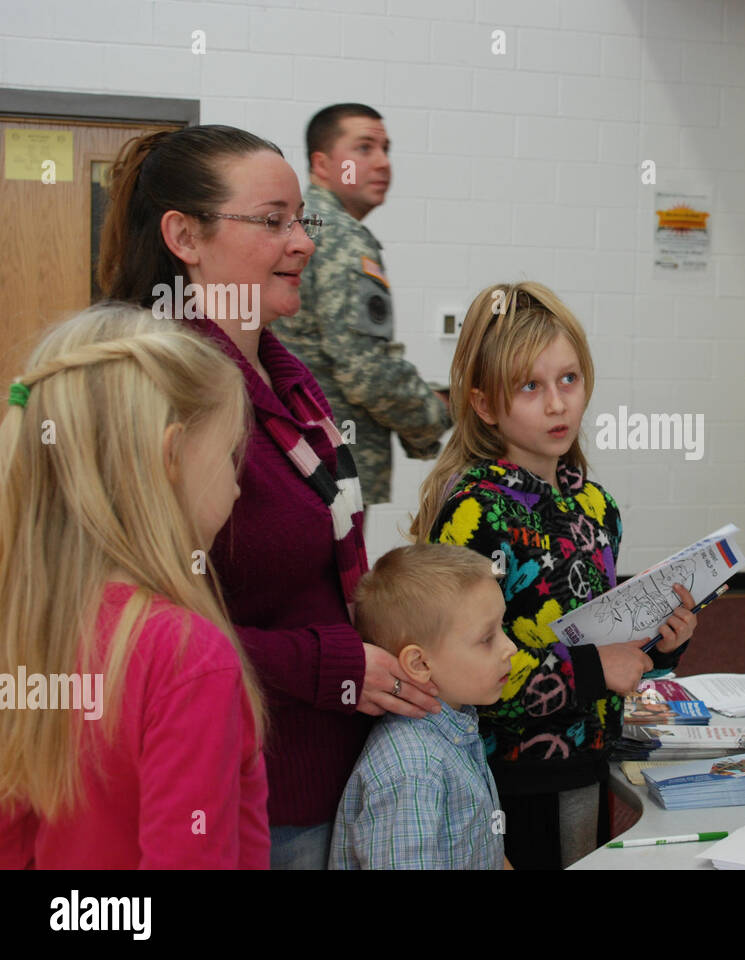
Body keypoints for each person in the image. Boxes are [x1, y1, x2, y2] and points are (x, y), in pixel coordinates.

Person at [95, 124, 440, 869]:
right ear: (185, 237)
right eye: (272, 221)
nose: (304, 242)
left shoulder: (286, 376)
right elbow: (127, 634)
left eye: (301, 220)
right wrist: (328, 665)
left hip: (325, 759)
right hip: (247, 786)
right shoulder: (157, 398)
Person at [410, 281, 700, 869]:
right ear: (485, 404)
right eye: (530, 387)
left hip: (589, 757)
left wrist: (659, 646)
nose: (557, 404)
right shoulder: (475, 512)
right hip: (510, 772)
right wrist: (597, 669)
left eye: (569, 379)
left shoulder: (595, 505)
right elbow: (460, 668)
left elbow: (599, 633)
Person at [0, 304, 268, 868]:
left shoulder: (26, 630)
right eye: (229, 456)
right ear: (170, 455)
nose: (238, 489)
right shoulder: (187, 657)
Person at [276, 103, 453, 508]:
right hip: (328, 465)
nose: (383, 163)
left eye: (386, 149)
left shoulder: (302, 224)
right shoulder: (342, 237)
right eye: (364, 148)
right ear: (321, 164)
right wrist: (438, 411)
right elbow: (366, 371)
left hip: (296, 452)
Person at [330, 543, 515, 870]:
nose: (510, 648)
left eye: (502, 628)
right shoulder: (412, 768)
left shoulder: (455, 729)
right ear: (419, 663)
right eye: (487, 638)